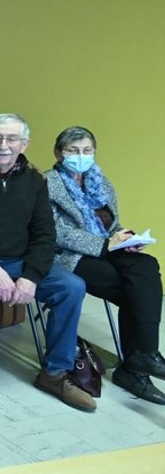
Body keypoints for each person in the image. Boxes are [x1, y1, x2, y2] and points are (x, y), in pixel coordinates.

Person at [0, 113, 93, 412]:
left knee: (72, 286)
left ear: (24, 144)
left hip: (19, 262)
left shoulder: (35, 178)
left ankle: (55, 373)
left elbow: (44, 234)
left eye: (12, 139)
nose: (3, 145)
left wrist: (32, 277)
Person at [45, 126, 164, 403]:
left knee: (145, 265)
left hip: (107, 249)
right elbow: (53, 231)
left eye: (87, 150)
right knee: (136, 290)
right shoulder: (47, 183)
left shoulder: (102, 182)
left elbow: (113, 225)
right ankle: (136, 367)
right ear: (59, 153)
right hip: (67, 255)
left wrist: (125, 238)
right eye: (73, 150)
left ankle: (144, 357)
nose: (81, 156)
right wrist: (104, 246)